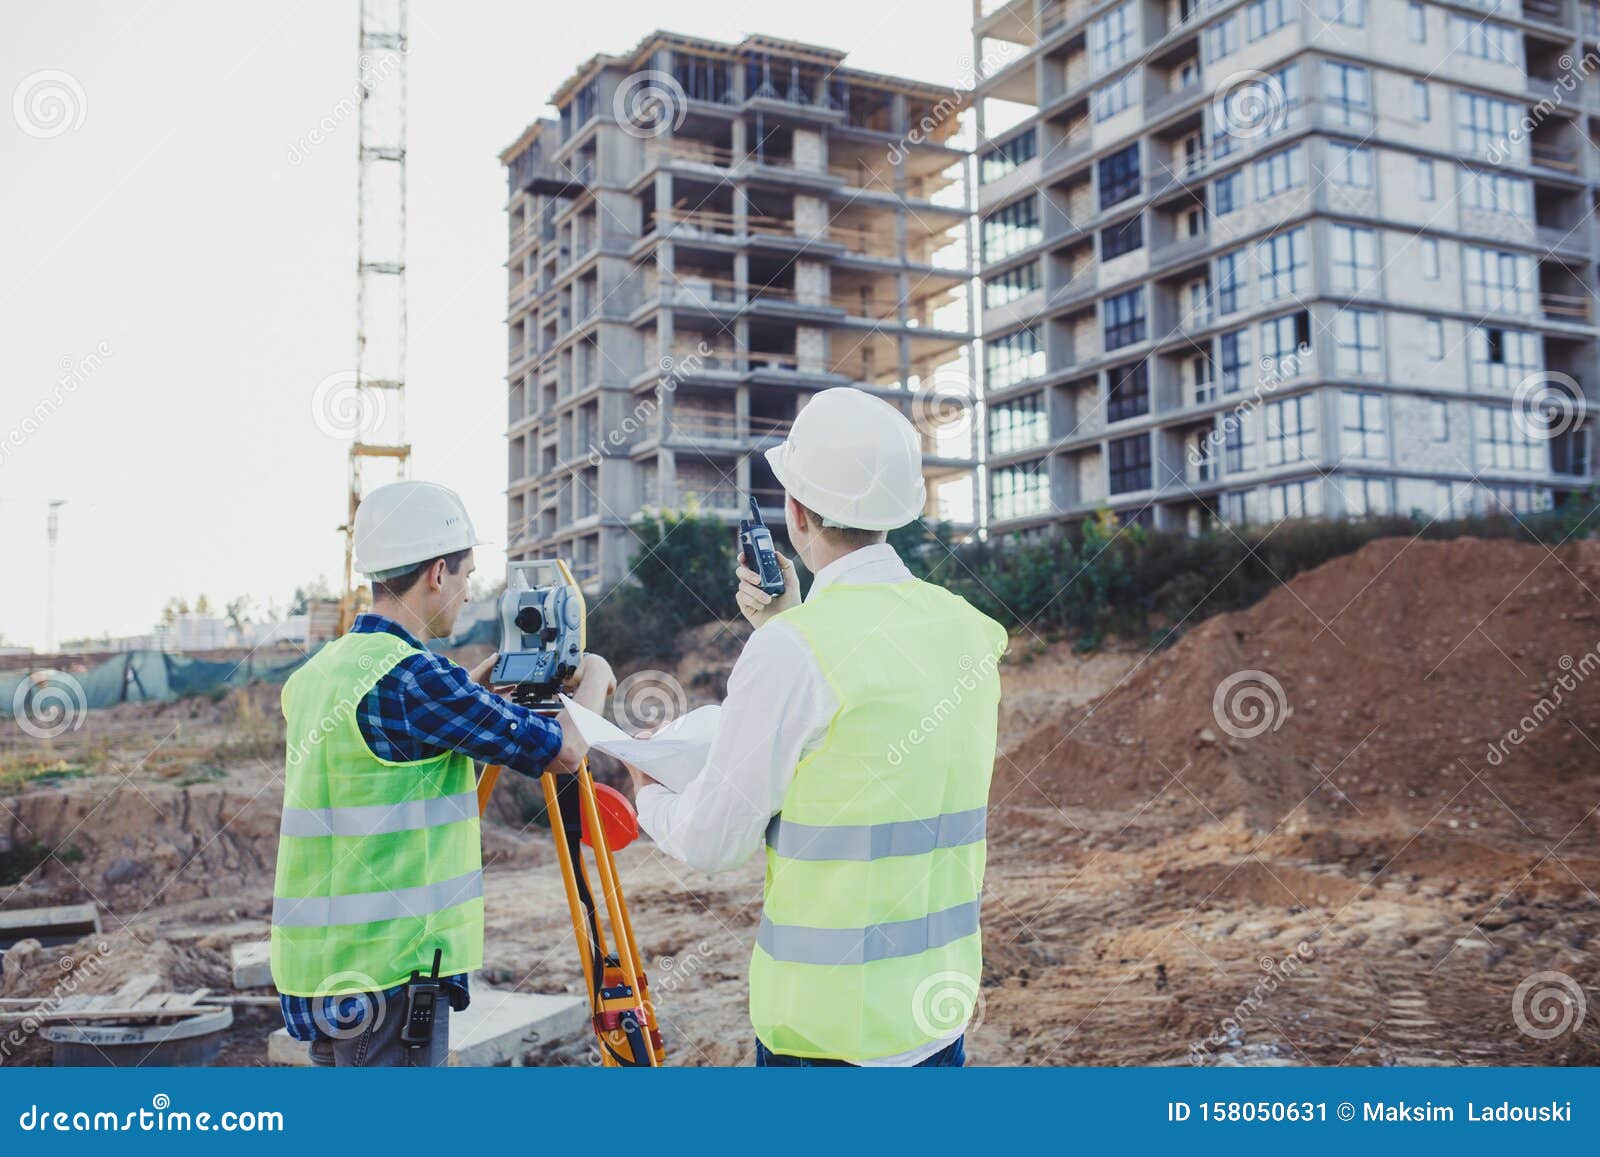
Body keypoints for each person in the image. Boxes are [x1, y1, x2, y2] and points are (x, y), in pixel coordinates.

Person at [627, 387, 1007, 1068]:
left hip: (825, 1038)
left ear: (796, 513)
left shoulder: (795, 653)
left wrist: (643, 787)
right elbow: (865, 756)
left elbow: (716, 840)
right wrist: (788, 625)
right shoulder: (969, 633)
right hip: (934, 1022)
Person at [270, 480, 612, 1067]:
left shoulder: (319, 673)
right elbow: (566, 754)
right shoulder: (416, 680)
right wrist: (597, 674)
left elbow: (387, 756)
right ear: (436, 573)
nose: (467, 592)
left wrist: (469, 694)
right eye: (466, 575)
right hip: (390, 973)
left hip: (320, 967)